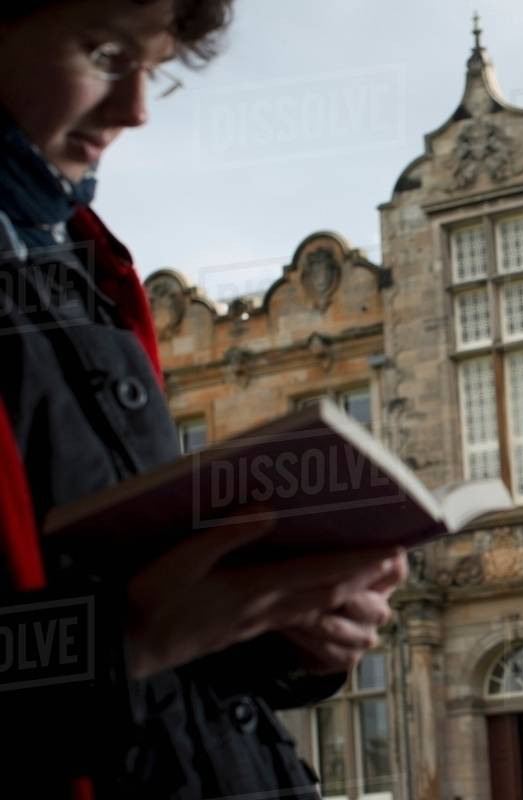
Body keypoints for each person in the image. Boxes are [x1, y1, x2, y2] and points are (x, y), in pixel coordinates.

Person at [0, 1, 406, 797]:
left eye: (154, 72)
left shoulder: (87, 259)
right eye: (105, 55)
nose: (137, 110)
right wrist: (131, 634)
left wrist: (281, 632)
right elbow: (124, 630)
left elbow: (124, 598)